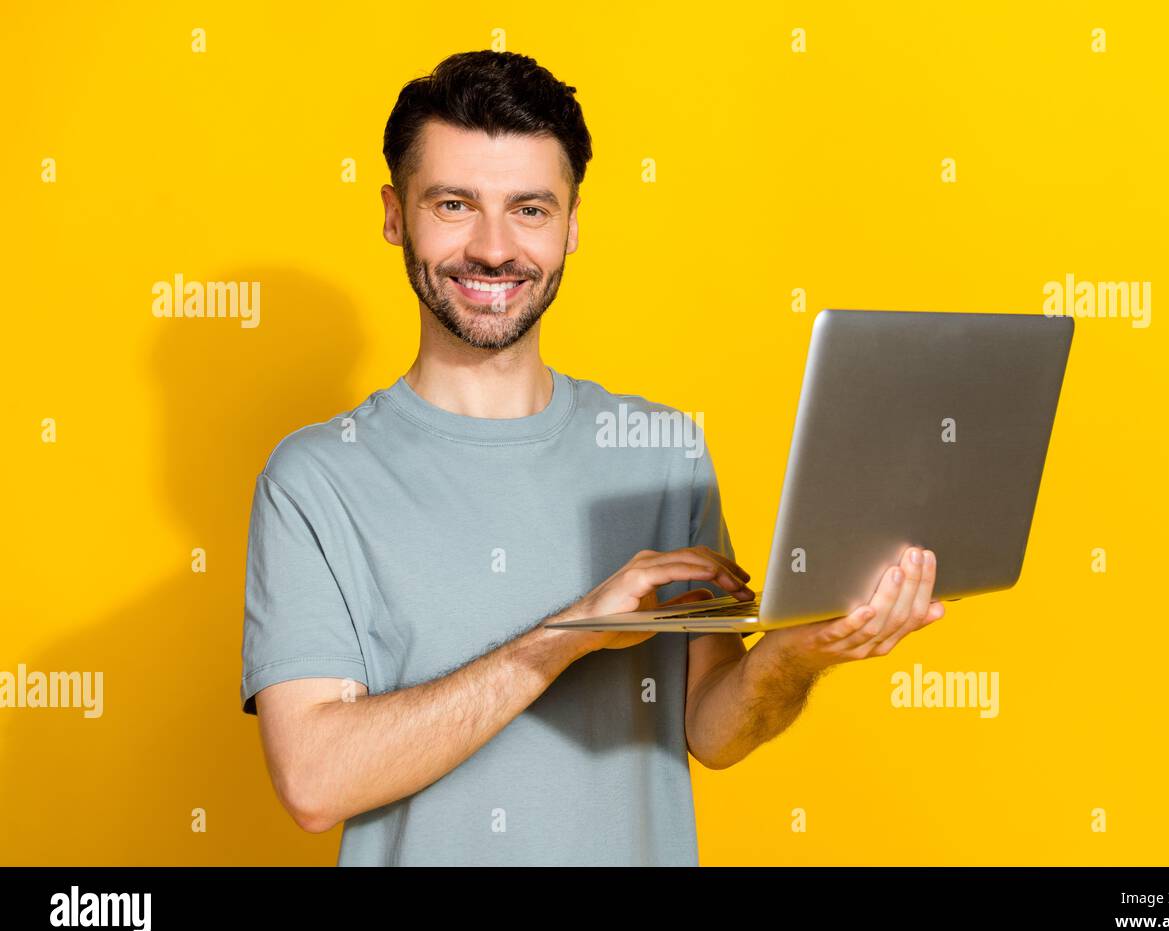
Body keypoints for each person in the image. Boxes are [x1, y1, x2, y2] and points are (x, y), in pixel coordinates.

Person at [240, 49, 945, 866]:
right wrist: (568, 636)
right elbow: (315, 782)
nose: (495, 249)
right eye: (455, 204)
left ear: (572, 223)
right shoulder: (315, 480)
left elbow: (711, 731)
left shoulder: (662, 451)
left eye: (530, 209)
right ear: (396, 215)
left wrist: (799, 653)